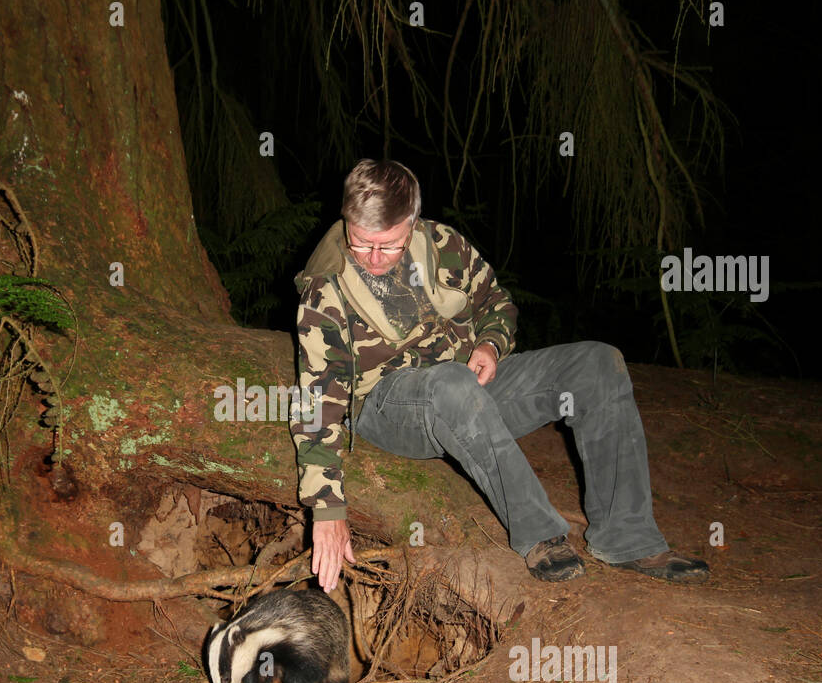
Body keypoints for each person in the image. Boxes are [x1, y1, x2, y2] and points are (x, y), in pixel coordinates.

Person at [291, 159, 709, 593]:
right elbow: (316, 401)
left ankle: (627, 536)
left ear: (412, 223)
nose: (374, 259)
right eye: (361, 244)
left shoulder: (443, 245)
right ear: (346, 220)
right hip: (388, 405)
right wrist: (327, 510)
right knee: (451, 384)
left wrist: (490, 344)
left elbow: (496, 300)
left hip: (468, 388)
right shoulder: (325, 290)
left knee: (598, 363)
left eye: (389, 245)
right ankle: (541, 535)